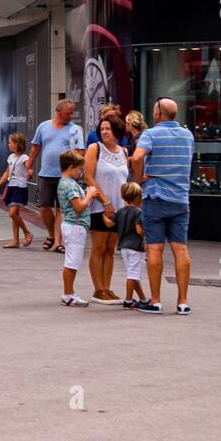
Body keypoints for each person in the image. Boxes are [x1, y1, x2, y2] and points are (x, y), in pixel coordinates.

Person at [129, 97, 194, 315]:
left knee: (155, 248)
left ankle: (155, 300)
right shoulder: (187, 135)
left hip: (155, 197)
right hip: (180, 198)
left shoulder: (150, 134)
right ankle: (183, 302)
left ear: (158, 114)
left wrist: (139, 179)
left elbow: (137, 157)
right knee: (180, 248)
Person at [27, 99, 85, 253]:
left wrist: (77, 173)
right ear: (59, 111)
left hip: (65, 176)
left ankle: (58, 242)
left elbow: (80, 152)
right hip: (46, 174)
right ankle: (52, 235)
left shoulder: (75, 130)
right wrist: (28, 167)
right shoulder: (43, 126)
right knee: (44, 207)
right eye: (69, 113)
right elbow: (35, 149)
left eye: (72, 112)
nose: (71, 116)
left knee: (61, 209)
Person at [84, 114, 129, 305]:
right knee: (99, 247)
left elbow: (125, 180)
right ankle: (98, 289)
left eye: (108, 129)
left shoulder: (124, 152)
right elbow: (88, 177)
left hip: (120, 207)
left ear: (117, 131)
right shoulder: (95, 149)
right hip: (99, 207)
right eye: (102, 129)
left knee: (111, 249)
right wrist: (105, 202)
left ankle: (107, 288)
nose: (104, 132)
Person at [57, 149, 99, 306]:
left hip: (73, 225)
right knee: (72, 261)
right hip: (75, 225)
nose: (81, 172)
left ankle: (69, 292)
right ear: (71, 167)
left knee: (72, 260)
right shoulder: (70, 186)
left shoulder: (65, 183)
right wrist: (89, 195)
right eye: (79, 169)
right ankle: (67, 294)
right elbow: (79, 206)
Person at [105, 181, 149, 310]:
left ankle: (143, 298)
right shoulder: (138, 213)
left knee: (133, 274)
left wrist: (103, 216)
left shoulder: (120, 211)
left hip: (124, 247)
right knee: (133, 275)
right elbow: (139, 231)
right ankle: (128, 300)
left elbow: (109, 224)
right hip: (136, 247)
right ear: (138, 198)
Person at [0, 131, 33, 248]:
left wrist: (29, 172)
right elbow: (7, 172)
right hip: (12, 187)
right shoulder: (10, 157)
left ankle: (27, 232)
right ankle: (15, 241)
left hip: (20, 188)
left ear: (17, 144)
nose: (8, 144)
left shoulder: (24, 157)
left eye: (10, 143)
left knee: (12, 213)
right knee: (15, 215)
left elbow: (29, 168)